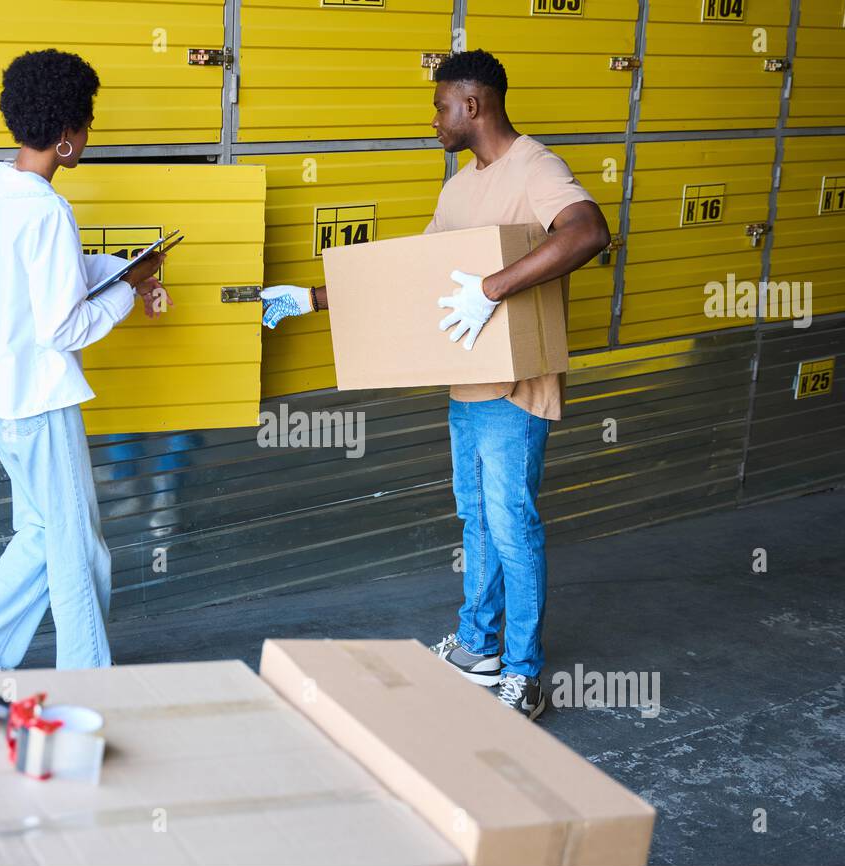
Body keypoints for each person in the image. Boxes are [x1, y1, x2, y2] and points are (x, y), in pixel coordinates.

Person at [260, 50, 610, 719]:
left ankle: (523, 673)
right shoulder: (459, 188)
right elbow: (408, 273)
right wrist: (310, 297)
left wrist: (491, 289)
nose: (433, 120)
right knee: (476, 520)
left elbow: (588, 231)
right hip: (468, 383)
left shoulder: (536, 168)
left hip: (515, 386)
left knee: (514, 527)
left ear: (472, 104)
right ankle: (479, 646)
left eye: (440, 106)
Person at [0, 49, 172, 673]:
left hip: (2, 396)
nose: (88, 136)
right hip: (40, 403)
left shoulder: (1, 190)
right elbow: (64, 324)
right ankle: (87, 680)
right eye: (86, 125)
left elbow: (50, 279)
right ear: (67, 137)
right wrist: (128, 291)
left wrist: (126, 267)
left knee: (45, 533)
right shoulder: (46, 209)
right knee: (76, 550)